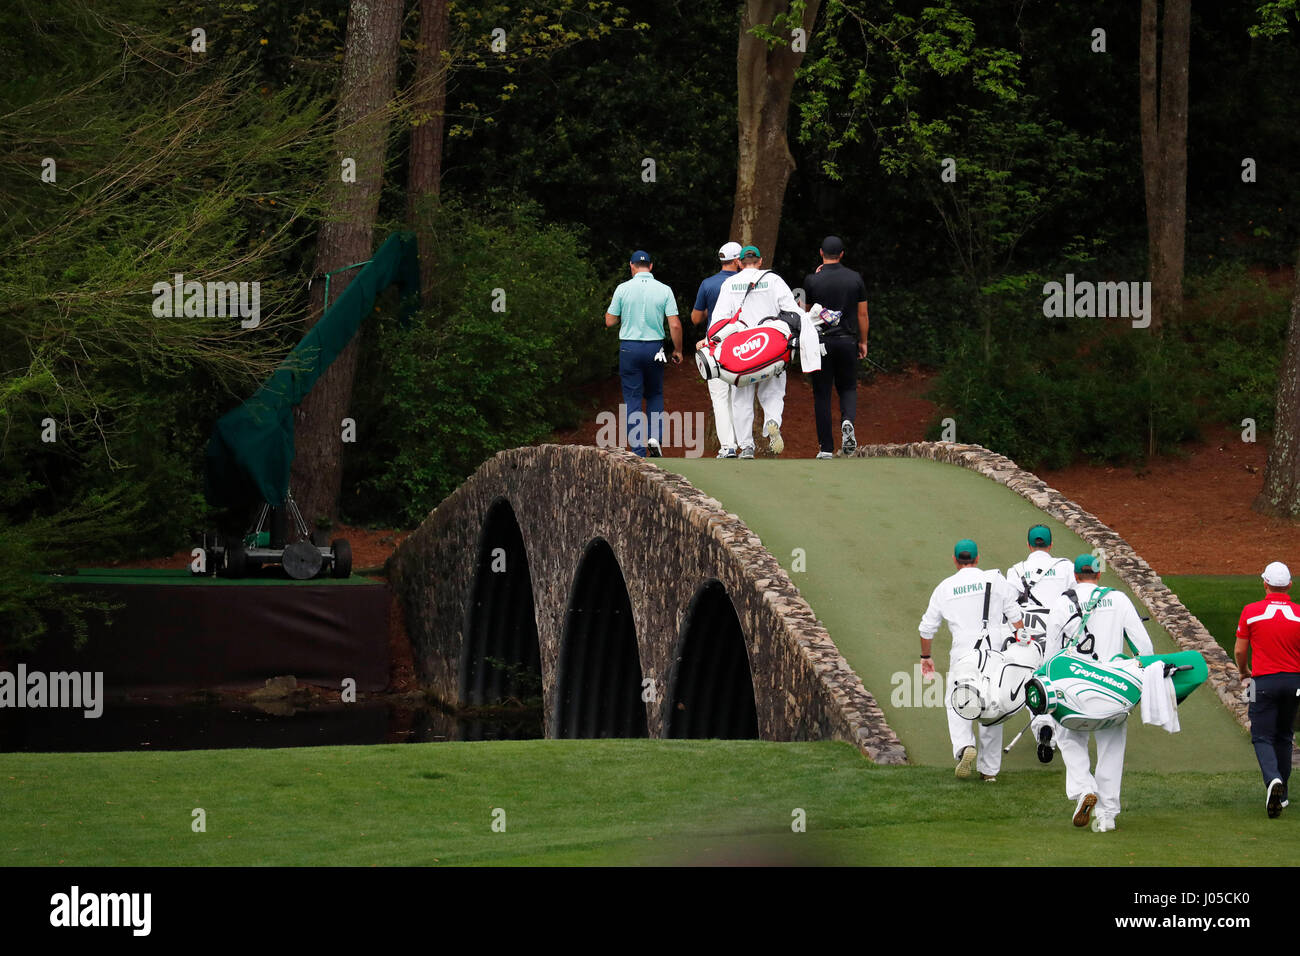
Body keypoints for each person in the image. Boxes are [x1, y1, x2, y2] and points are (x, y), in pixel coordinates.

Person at [1042, 554, 1153, 832]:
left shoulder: (1062, 603)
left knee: (1069, 740)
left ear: (1076, 576)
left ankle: (1083, 789)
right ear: (1098, 575)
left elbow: (1050, 658)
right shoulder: (1118, 599)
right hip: (1112, 691)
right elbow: (1146, 650)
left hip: (1072, 692)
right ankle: (1107, 815)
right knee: (1111, 749)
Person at [918, 538, 1024, 781]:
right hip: (994, 654)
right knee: (993, 707)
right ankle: (989, 772)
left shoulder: (945, 588)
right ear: (977, 559)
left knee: (956, 701)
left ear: (955, 561)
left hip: (962, 654)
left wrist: (926, 657)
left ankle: (964, 746)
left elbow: (926, 629)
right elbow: (1016, 621)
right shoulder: (997, 581)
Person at [707, 245, 798, 459]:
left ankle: (746, 446)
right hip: (771, 346)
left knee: (741, 398)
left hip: (743, 349)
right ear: (759, 261)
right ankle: (772, 421)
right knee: (774, 392)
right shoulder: (773, 280)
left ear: (739, 262)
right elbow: (792, 311)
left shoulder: (730, 283)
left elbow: (719, 320)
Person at [1004, 524, 1077, 763]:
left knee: (1031, 678)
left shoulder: (1016, 570)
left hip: (1029, 632)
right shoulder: (1066, 567)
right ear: (1050, 544)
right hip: (1058, 630)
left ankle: (1043, 725)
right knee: (1056, 678)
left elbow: (1008, 604)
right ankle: (1053, 731)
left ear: (1028, 545)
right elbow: (1078, 598)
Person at [1233, 561, 1300, 819]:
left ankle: (1273, 779)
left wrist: (1243, 672)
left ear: (1265, 584)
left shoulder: (1251, 611)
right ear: (1290, 586)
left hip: (1261, 683)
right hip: (1294, 683)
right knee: (1284, 735)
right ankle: (1282, 796)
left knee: (1261, 736)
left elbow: (1240, 650)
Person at [604, 250, 682, 457]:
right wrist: (678, 350)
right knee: (655, 393)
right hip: (654, 347)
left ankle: (638, 450)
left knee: (632, 398)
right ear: (651, 266)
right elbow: (674, 324)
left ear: (631, 265)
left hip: (629, 347)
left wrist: (626, 316)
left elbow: (609, 320)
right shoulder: (664, 289)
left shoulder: (623, 289)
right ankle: (655, 437)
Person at [802, 235, 869, 459]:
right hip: (847, 341)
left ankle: (826, 448)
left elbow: (807, 311)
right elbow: (862, 314)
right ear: (842, 254)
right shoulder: (855, 279)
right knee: (848, 387)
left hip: (821, 343)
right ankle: (847, 420)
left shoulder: (812, 280)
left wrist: (816, 278)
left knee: (822, 393)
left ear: (821, 253)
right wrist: (863, 341)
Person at [690, 242, 744, 458]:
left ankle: (728, 446)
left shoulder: (708, 284)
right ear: (737, 260)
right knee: (740, 396)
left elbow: (695, 318)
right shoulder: (746, 283)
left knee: (720, 398)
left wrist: (708, 312)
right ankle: (745, 444)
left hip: (715, 344)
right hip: (742, 344)